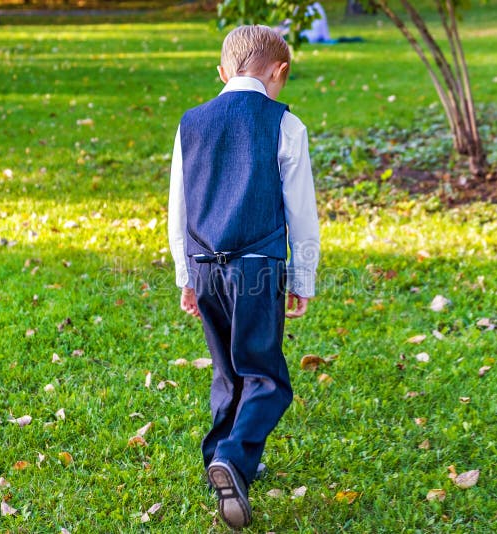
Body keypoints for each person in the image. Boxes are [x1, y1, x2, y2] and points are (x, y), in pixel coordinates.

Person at [167, 25, 320, 529]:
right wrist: (303, 277)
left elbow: (179, 208)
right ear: (279, 73)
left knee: (227, 370)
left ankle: (220, 458)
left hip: (206, 266)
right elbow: (301, 212)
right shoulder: (284, 124)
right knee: (266, 377)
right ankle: (232, 458)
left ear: (222, 73)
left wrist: (185, 275)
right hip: (258, 268)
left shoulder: (190, 123)